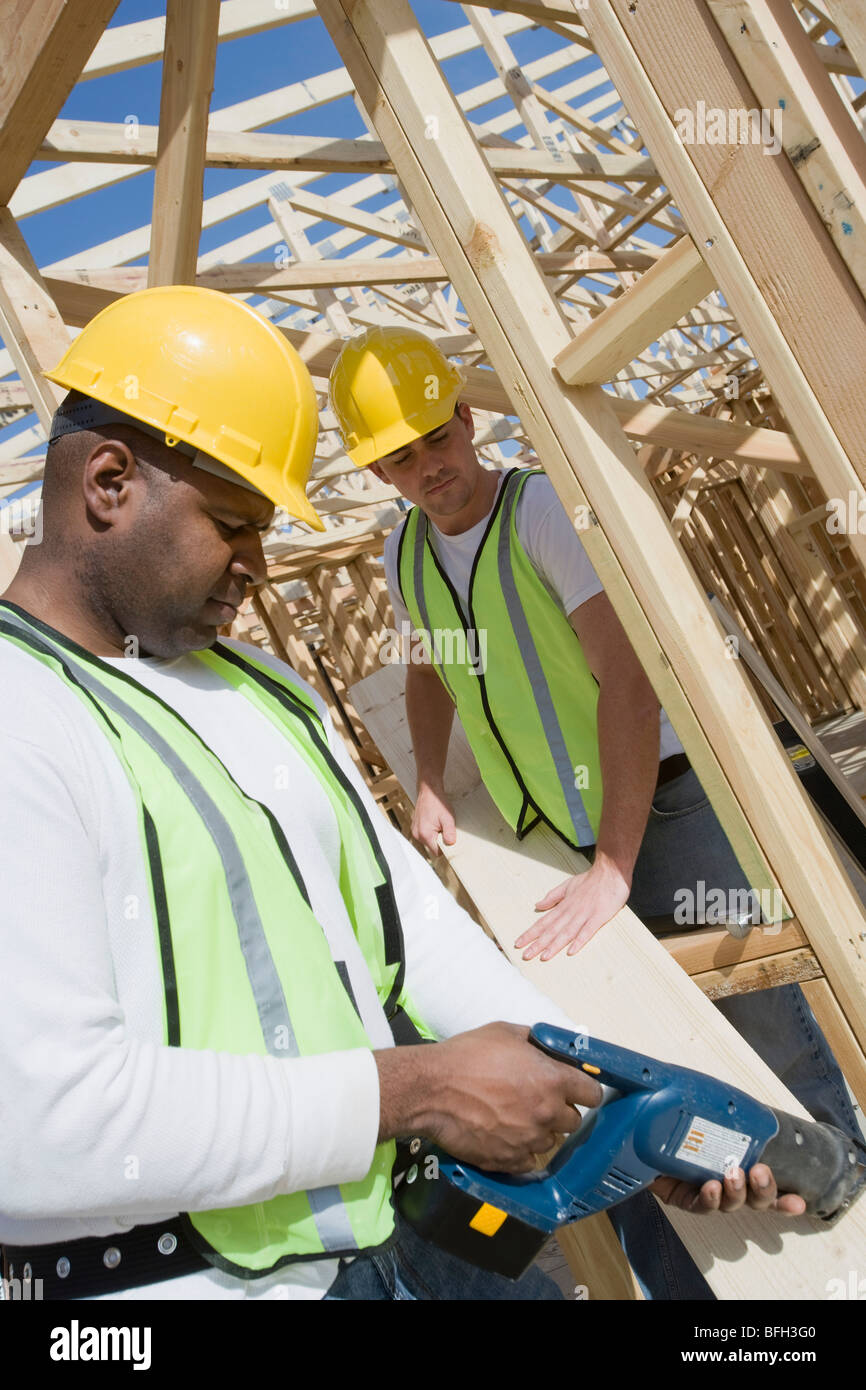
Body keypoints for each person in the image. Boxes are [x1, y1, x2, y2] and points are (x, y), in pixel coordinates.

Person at [328, 324, 862, 1298]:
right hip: (551, 840)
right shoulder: (406, 552)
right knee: (625, 1063)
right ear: (376, 469)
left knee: (750, 1005)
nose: (425, 468)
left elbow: (625, 681)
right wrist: (435, 786)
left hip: (657, 806)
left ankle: (837, 1170)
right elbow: (433, 674)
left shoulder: (537, 513)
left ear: (466, 417)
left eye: (433, 440)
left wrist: (614, 865)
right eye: (396, 458)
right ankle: (692, 1268)